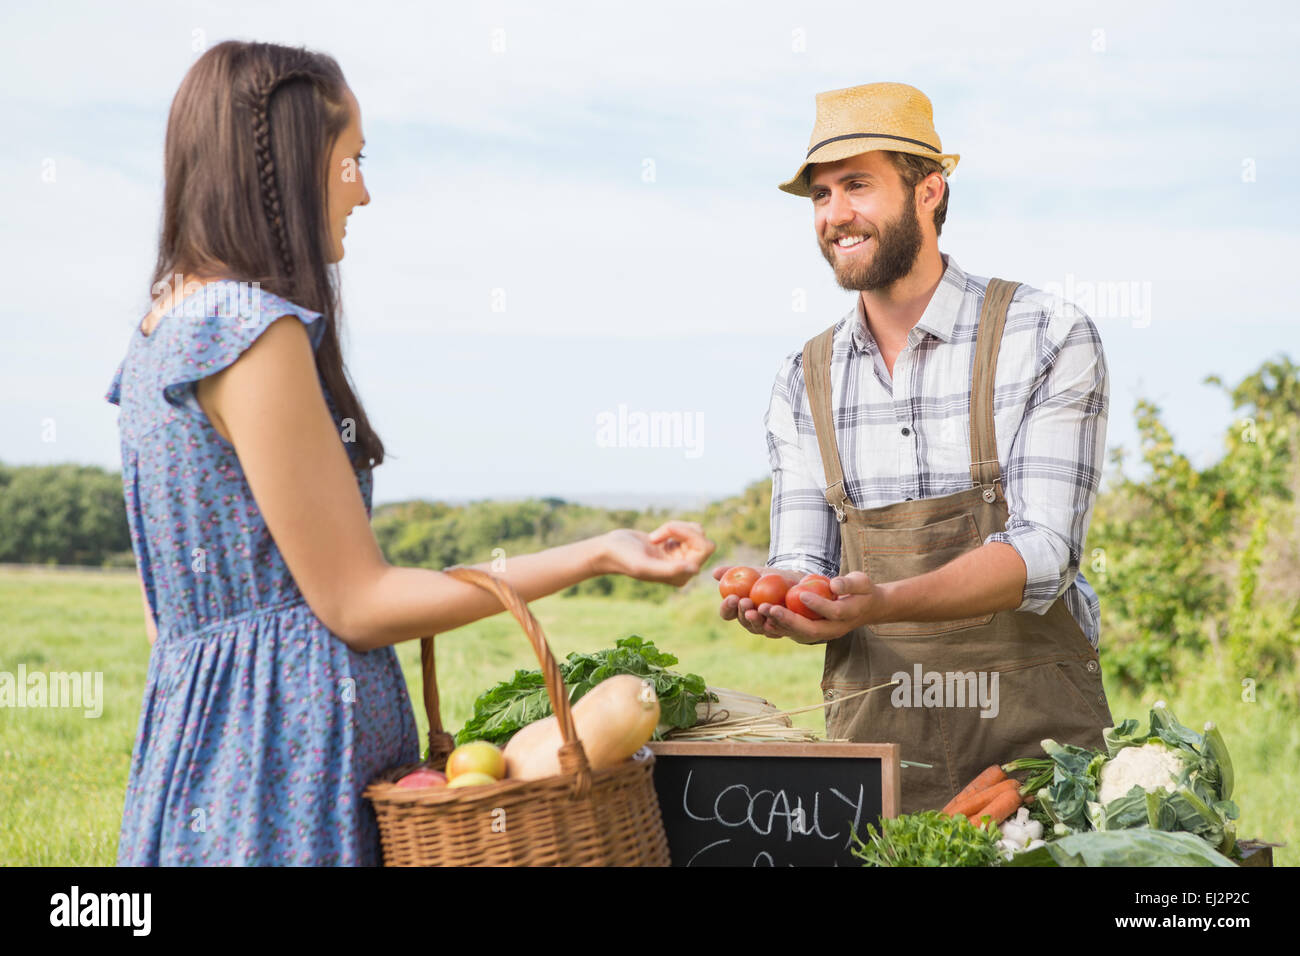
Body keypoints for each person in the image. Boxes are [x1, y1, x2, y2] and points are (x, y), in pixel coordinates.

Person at [105, 40, 714, 866]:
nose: (363, 190)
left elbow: (168, 619)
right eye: (351, 159)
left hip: (199, 752)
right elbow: (359, 603)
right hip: (285, 773)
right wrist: (596, 553)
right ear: (287, 163)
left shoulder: (160, 337)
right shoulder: (250, 333)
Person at [713, 82, 1114, 813]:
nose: (835, 215)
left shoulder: (1045, 335)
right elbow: (803, 559)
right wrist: (787, 602)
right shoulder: (802, 380)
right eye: (820, 195)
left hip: (1034, 762)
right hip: (880, 762)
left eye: (857, 185)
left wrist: (884, 601)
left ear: (929, 190)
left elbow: (1044, 553)